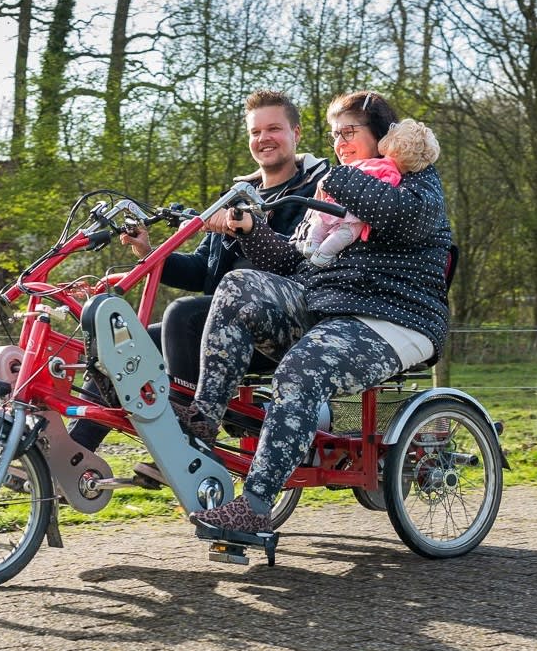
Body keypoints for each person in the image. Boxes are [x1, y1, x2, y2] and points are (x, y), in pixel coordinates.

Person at [177, 90, 453, 535]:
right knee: (239, 285)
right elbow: (295, 262)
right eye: (335, 136)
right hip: (327, 308)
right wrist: (251, 229)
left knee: (300, 372)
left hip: (393, 317)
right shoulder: (342, 186)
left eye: (350, 133)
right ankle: (203, 419)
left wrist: (343, 176)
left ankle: (255, 506)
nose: (340, 143)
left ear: (383, 137)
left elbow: (400, 215)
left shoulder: (415, 180)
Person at [67, 89, 323, 453]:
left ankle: (185, 442)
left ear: (296, 133)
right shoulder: (236, 195)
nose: (263, 139)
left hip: (283, 323)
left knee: (183, 314)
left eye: (274, 129)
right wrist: (149, 251)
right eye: (255, 132)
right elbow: (202, 269)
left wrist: (246, 228)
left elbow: (297, 260)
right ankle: (73, 453)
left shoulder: (315, 190)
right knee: (123, 344)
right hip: (220, 320)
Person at [292, 118, 439, 266]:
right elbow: (383, 195)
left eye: (349, 132)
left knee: (322, 222)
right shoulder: (394, 174)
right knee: (347, 233)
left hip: (334, 202)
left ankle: (311, 243)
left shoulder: (366, 161)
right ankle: (323, 255)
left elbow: (350, 172)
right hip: (353, 213)